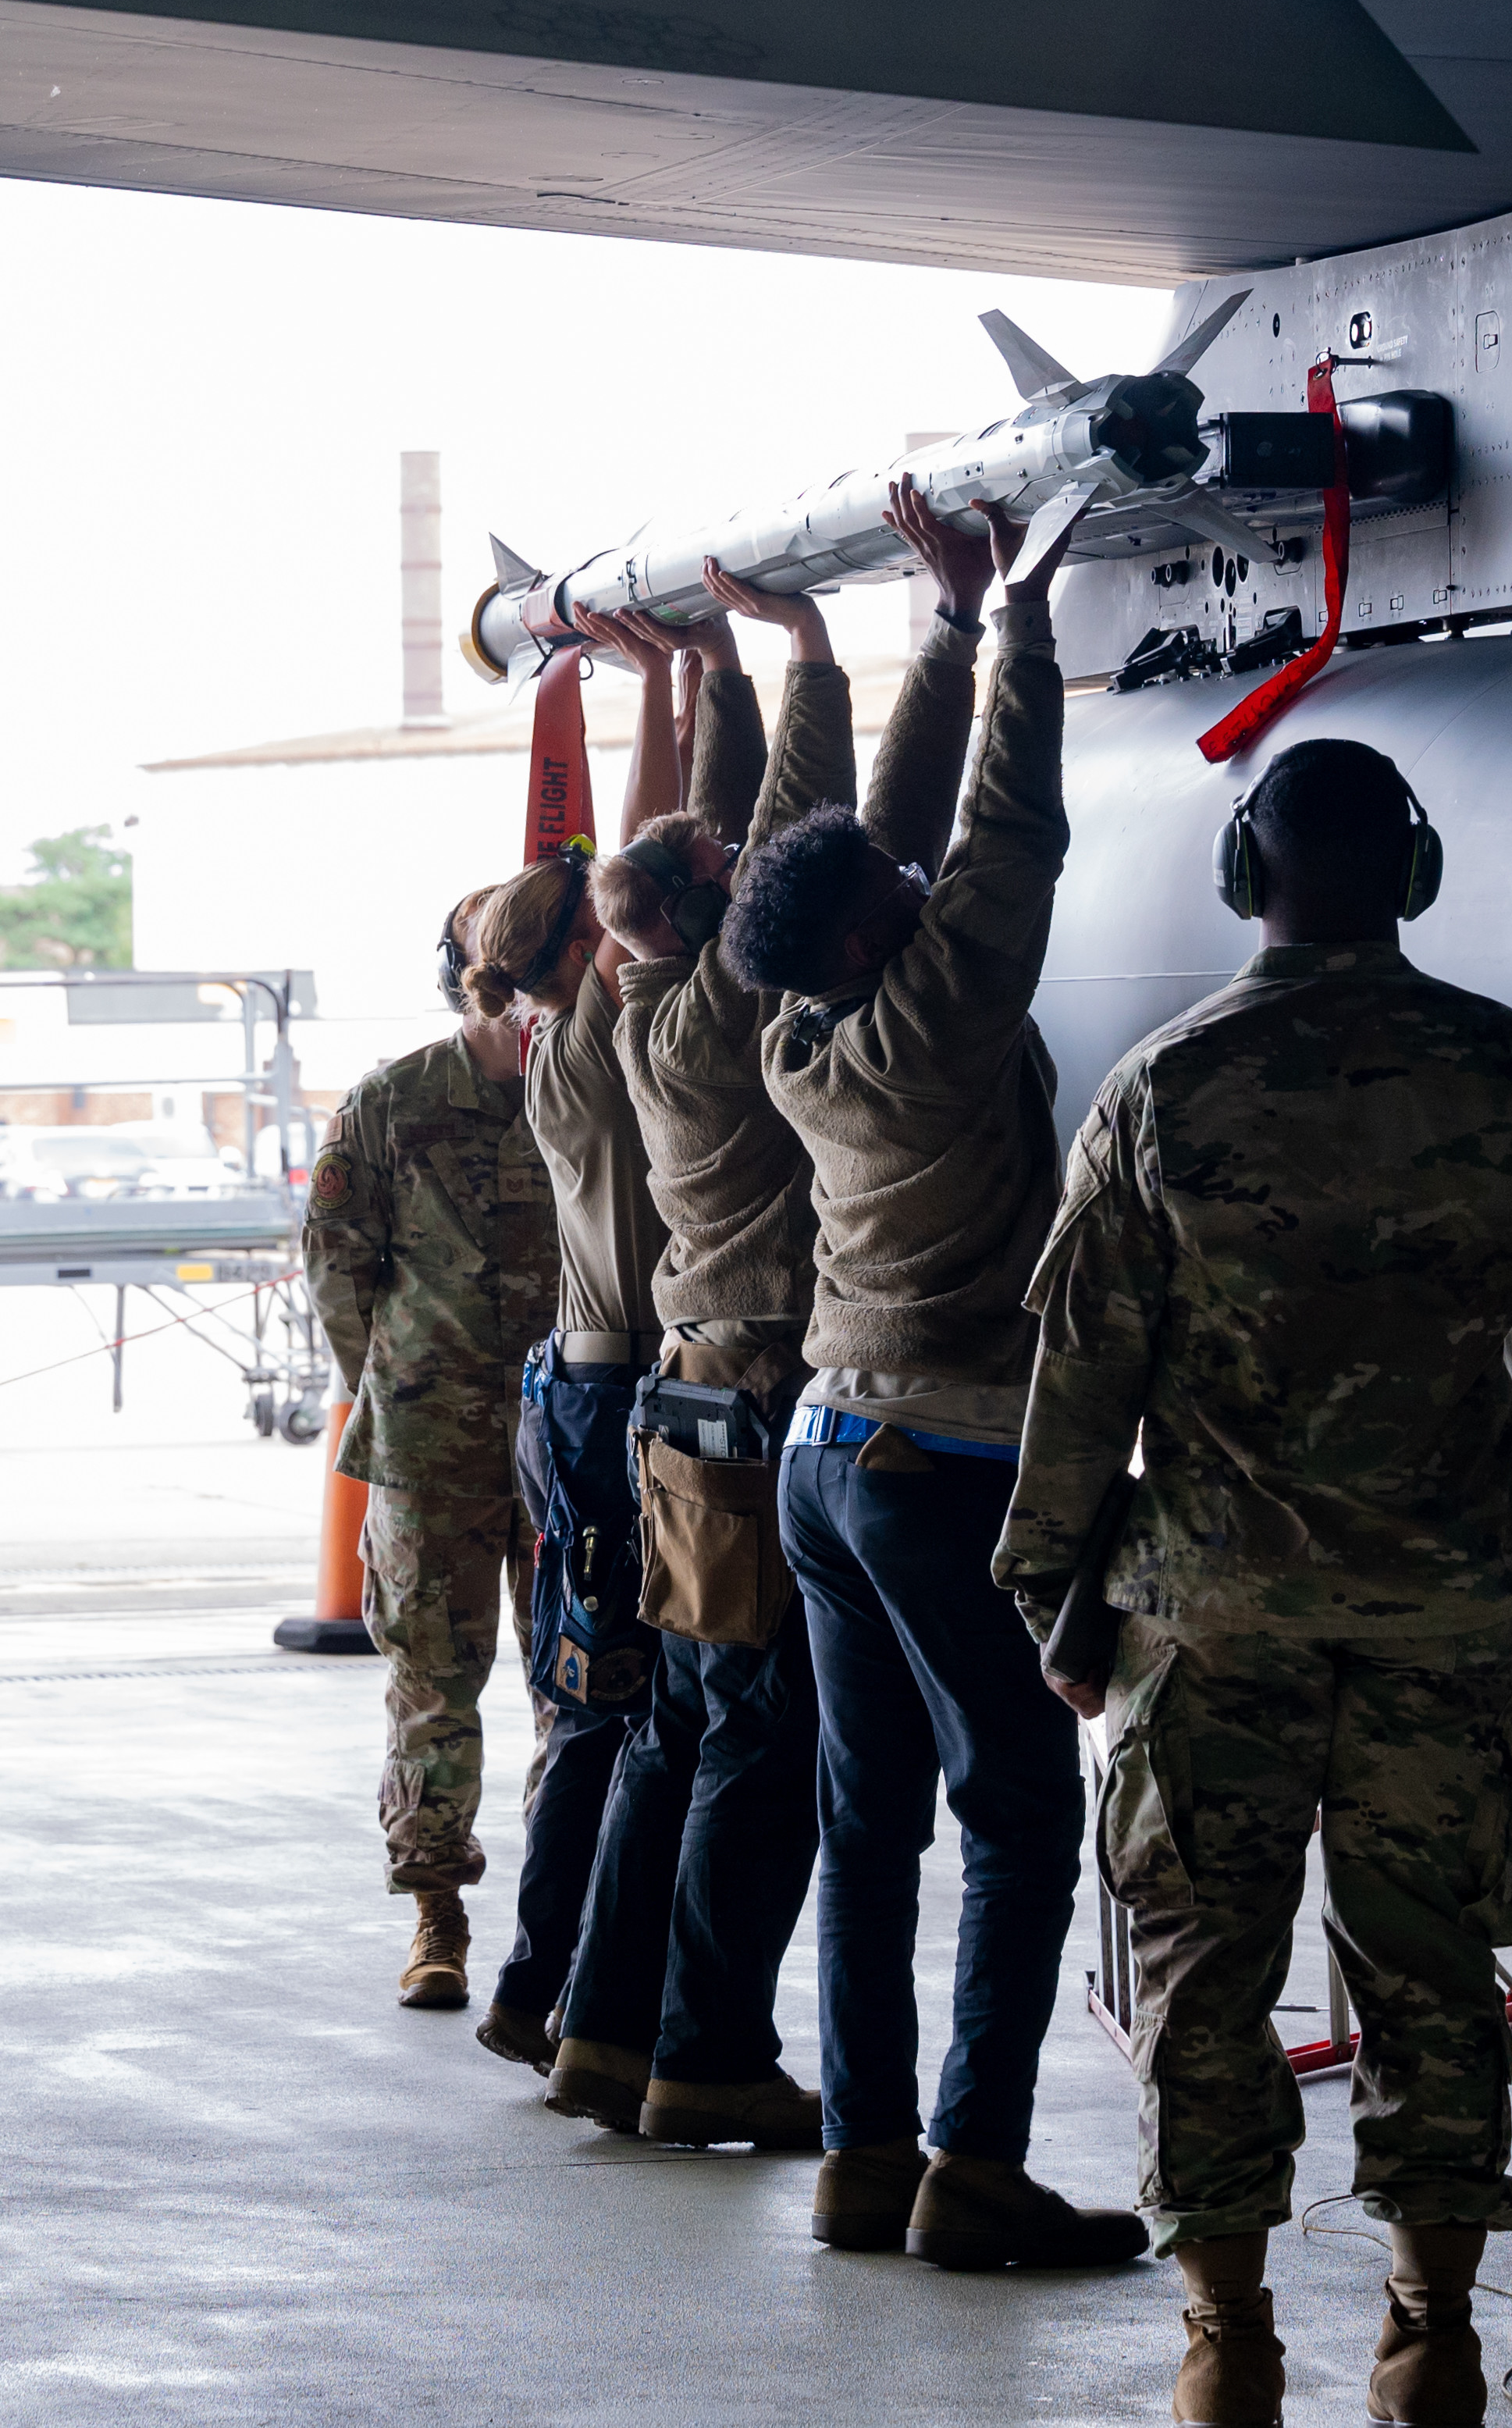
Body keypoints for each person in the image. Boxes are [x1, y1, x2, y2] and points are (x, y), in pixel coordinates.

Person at [996, 737, 1512, 2428]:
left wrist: (1050, 1598)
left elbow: (1082, 1370)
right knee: (1430, 1967)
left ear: (1247, 872)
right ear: (1415, 870)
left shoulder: (1165, 1083)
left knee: (1204, 1973)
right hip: (1442, 1609)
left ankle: (1228, 2347)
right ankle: (1432, 2331)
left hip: (1209, 1622)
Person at [719, 479, 1147, 2270]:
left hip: (828, 1447)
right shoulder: (927, 1018)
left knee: (871, 1814)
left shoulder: (802, 1021)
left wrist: (943, 630)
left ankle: (869, 2156)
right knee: (1021, 1809)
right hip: (941, 1456)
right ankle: (977, 2165)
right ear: (879, 940)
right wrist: (1023, 624)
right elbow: (1005, 834)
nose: (916, 887)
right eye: (900, 902)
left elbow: (870, 844)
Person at [539, 563, 856, 2147]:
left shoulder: (632, 1001)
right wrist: (802, 661)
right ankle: (710, 2047)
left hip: (685, 1383)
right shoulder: (726, 1011)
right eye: (723, 876)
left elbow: (713, 839)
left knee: (680, 1724)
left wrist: (708, 671)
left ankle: (609, 2031)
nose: (747, 877)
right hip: (750, 1385)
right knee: (762, 1737)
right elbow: (793, 827)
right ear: (695, 914)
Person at [461, 630, 689, 2074]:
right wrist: (664, 685)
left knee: (586, 1709)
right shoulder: (599, 1033)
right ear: (582, 952)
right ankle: (557, 1987)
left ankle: (545, 1984)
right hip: (615, 1393)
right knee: (622, 1719)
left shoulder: (548, 1040)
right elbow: (641, 865)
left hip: (576, 1383)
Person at [301, 886, 560, 2012]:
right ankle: (436, 1914)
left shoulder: (589, 1089)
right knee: (433, 1690)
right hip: (432, 1441)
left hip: (568, 1439)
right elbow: (336, 1263)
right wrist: (391, 1387)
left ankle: (567, 1919)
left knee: (582, 1690)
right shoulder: (395, 1100)